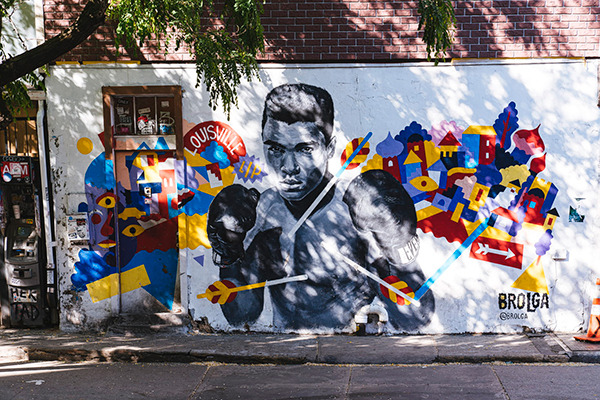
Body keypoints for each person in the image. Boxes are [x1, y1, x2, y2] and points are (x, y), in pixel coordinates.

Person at [207, 83, 434, 332]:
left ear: (330, 147)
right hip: (285, 350)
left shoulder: (356, 209)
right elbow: (241, 315)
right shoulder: (260, 213)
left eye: (304, 149)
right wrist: (227, 254)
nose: (288, 166)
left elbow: (414, 316)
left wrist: (400, 249)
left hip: (354, 347)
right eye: (275, 148)